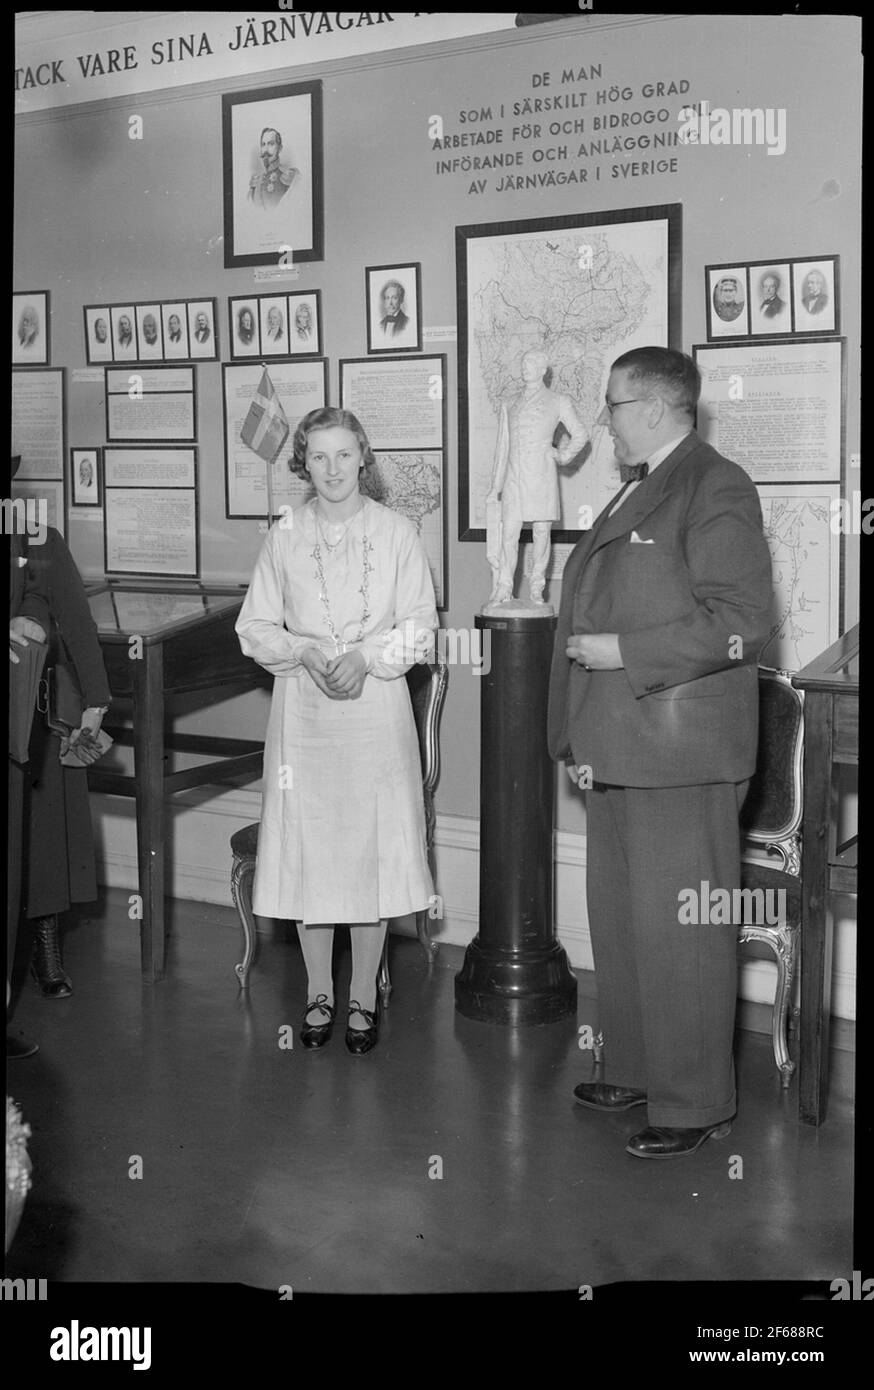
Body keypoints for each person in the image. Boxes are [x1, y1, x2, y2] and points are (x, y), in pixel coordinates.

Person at [547, 346, 773, 1159]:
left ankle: (696, 1100)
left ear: (649, 408)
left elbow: (744, 618)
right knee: (626, 923)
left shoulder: (715, 483)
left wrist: (624, 654)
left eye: (609, 406)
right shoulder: (644, 482)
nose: (602, 422)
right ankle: (640, 1067)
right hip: (618, 746)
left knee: (682, 931)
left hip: (680, 751)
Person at [236, 407, 437, 1055]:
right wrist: (304, 653)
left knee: (367, 855)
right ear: (303, 463)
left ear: (363, 458)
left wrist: (365, 659)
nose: (332, 470)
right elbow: (254, 627)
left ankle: (361, 999)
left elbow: (420, 628)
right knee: (313, 853)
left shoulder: (398, 532)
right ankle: (319, 990)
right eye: (318, 457)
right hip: (305, 714)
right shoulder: (285, 535)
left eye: (343, 455)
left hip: (375, 712)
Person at [20, 527, 112, 1000]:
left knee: (45, 827)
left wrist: (95, 703)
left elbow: (77, 621)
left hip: (31, 715)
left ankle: (45, 946)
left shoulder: (38, 540)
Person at [486, 348, 588, 606]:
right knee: (509, 533)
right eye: (523, 362)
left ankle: (536, 588)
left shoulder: (557, 400)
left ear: (543, 370)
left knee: (541, 533)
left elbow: (580, 435)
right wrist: (494, 486)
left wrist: (561, 455)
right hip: (513, 478)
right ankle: (504, 586)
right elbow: (502, 448)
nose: (525, 366)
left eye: (531, 362)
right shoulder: (509, 403)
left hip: (540, 477)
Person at [248, 126, 299, 210]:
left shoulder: (290, 177)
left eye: (271, 144)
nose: (266, 150)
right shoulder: (255, 181)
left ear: (280, 148)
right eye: (263, 144)